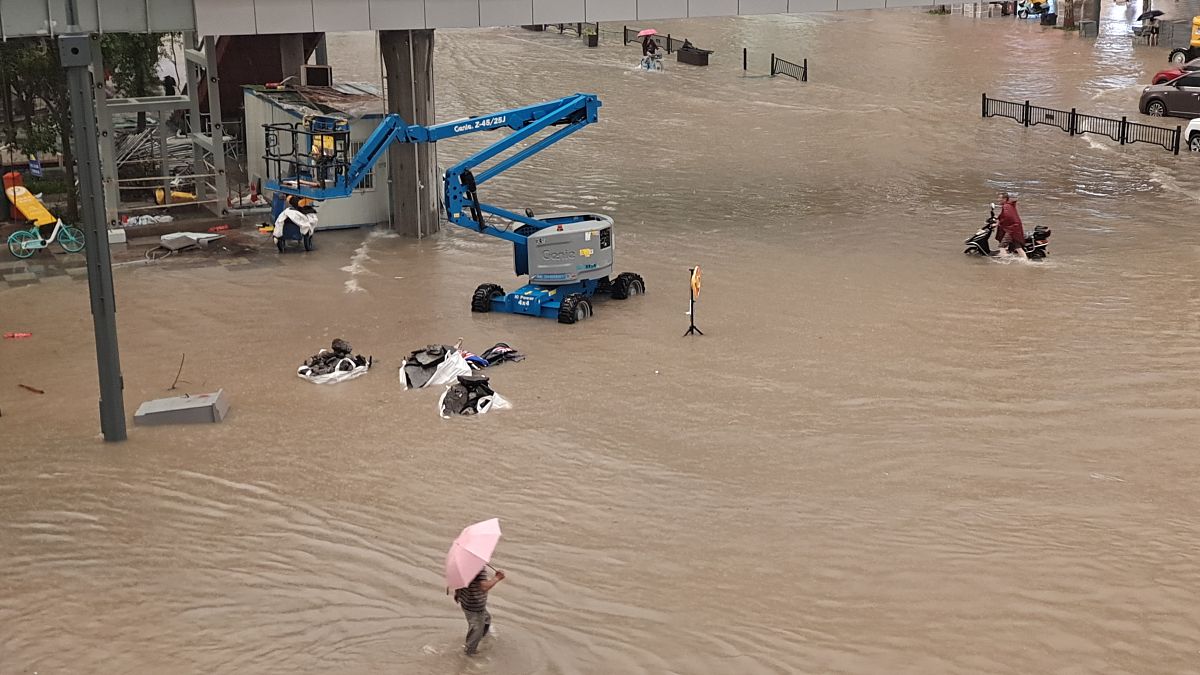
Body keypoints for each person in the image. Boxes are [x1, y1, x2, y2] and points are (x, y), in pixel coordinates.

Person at [454, 567, 505, 655]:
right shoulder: (479, 568)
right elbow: (484, 587)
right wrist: (497, 578)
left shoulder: (463, 566)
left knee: (486, 619)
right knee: (476, 630)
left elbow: (459, 581)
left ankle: (482, 636)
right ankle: (469, 652)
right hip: (475, 606)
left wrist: (457, 593)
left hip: (466, 601)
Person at [995, 192, 1026, 259]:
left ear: (1005, 199)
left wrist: (999, 223)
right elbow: (1003, 216)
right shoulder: (1010, 205)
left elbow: (1007, 218)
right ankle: (1026, 261)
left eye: (1000, 198)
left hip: (1011, 229)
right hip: (1016, 229)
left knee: (1002, 246)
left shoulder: (1006, 206)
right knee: (1018, 247)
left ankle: (1006, 262)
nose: (998, 200)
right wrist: (997, 220)